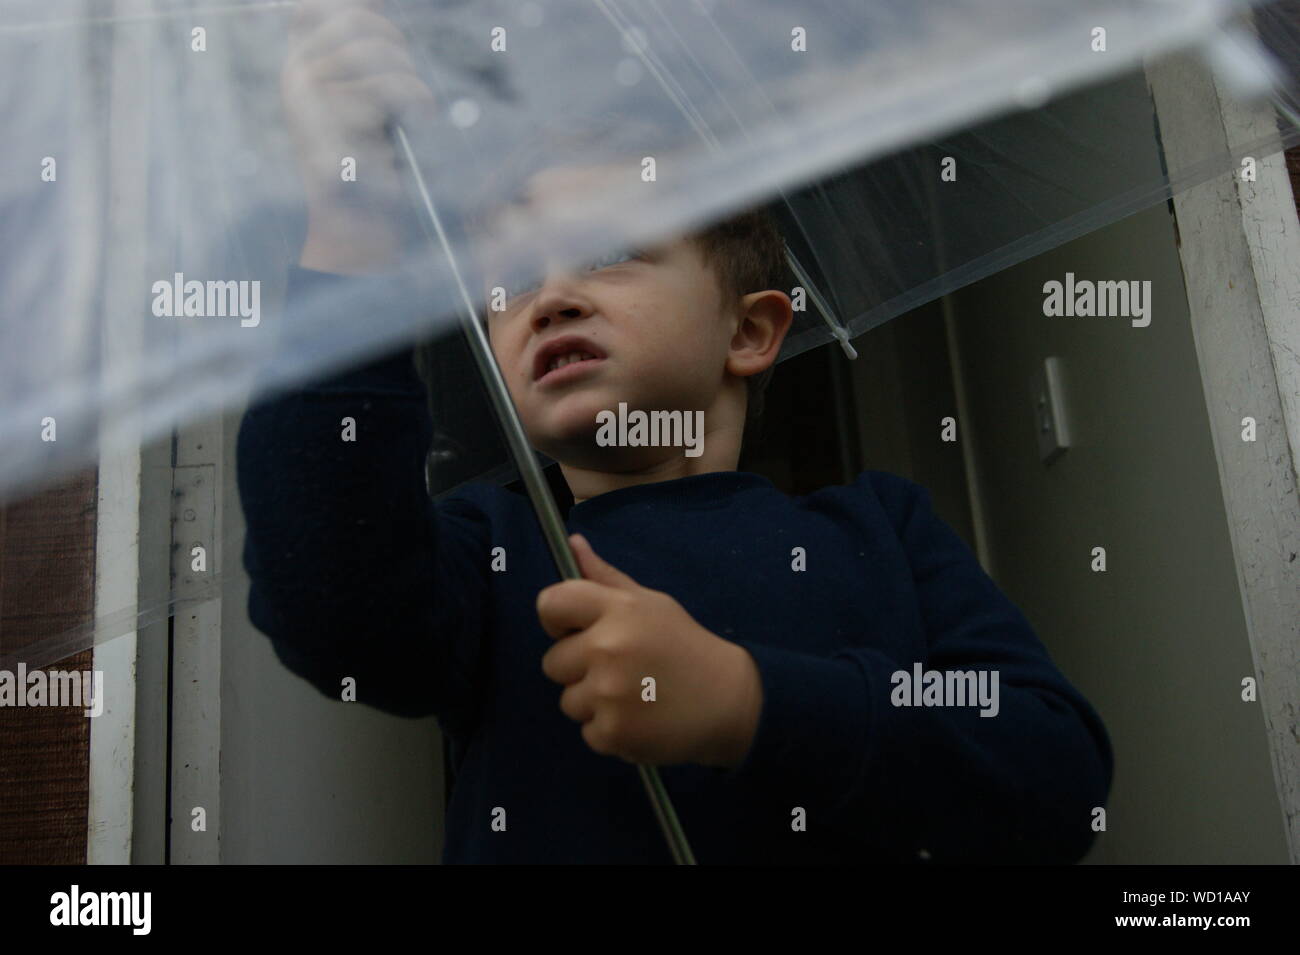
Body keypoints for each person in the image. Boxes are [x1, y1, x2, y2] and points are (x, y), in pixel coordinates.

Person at [237, 0, 1113, 863]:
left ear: (749, 331)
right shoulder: (492, 556)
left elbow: (1054, 769)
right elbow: (330, 598)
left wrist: (746, 702)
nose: (551, 296)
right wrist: (351, 219)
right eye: (506, 282)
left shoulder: (883, 532)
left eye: (608, 248)